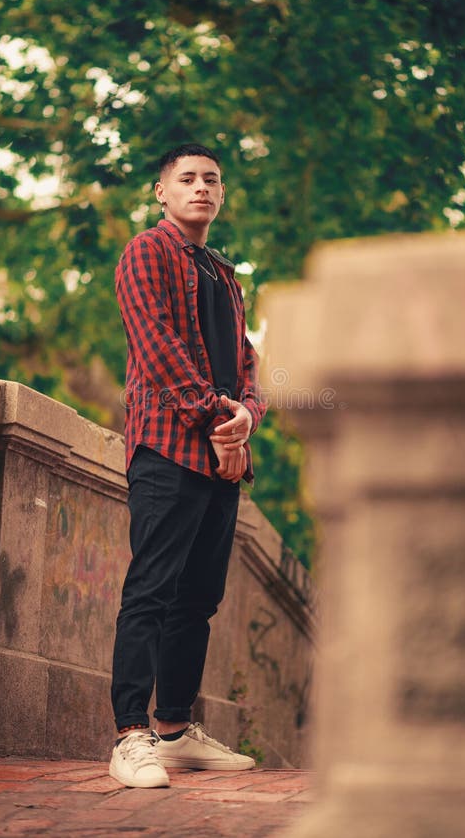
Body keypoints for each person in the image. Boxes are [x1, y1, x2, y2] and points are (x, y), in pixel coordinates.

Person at [109, 143, 267, 789]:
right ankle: (130, 735)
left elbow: (249, 365)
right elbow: (159, 347)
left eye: (212, 180)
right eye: (188, 179)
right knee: (152, 588)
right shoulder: (147, 251)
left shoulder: (224, 273)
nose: (202, 188)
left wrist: (246, 418)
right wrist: (217, 422)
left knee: (198, 598)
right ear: (162, 191)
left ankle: (174, 730)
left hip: (218, 453)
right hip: (167, 446)